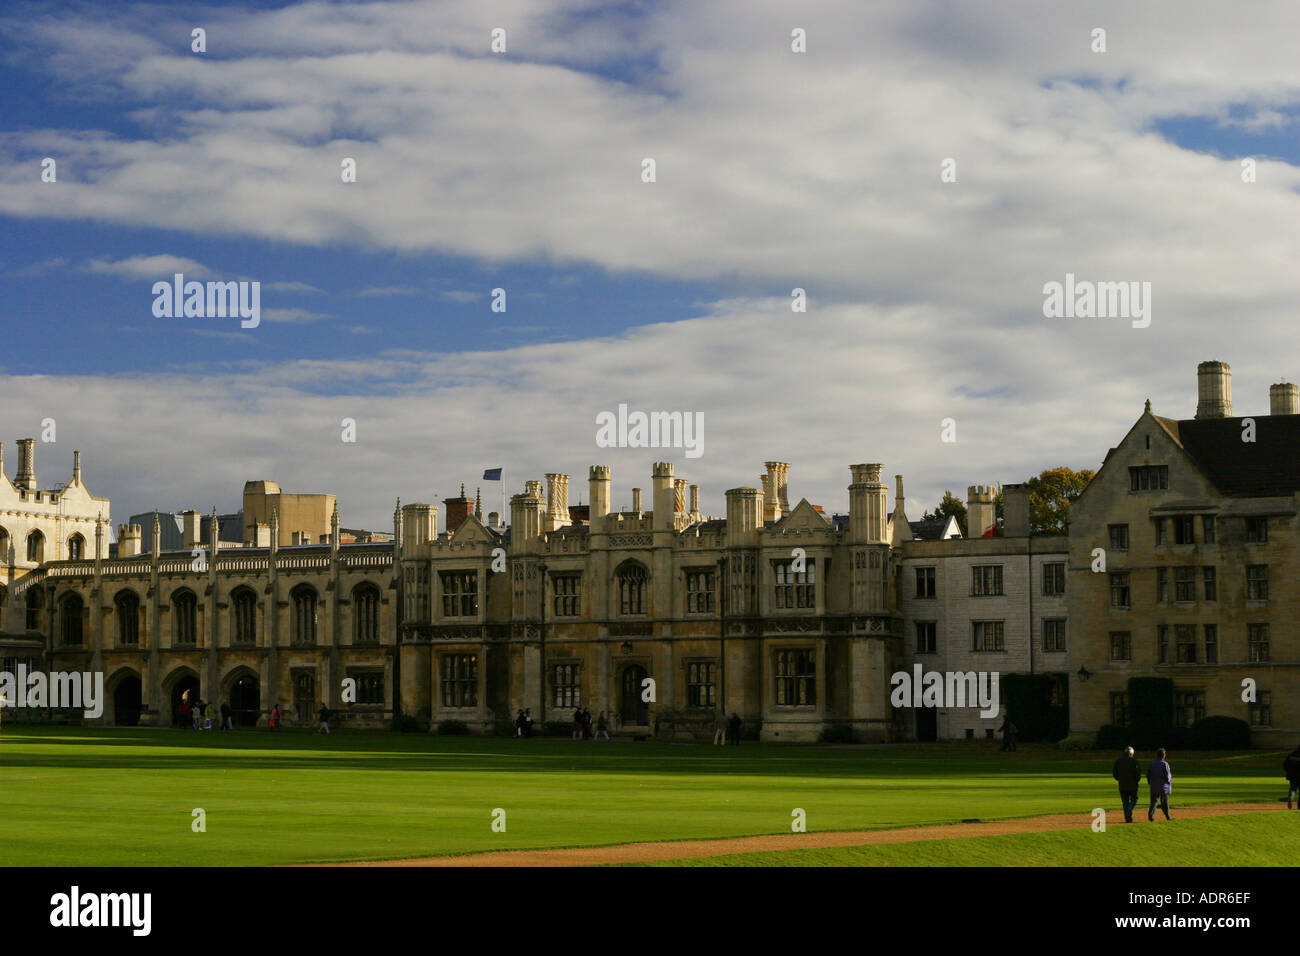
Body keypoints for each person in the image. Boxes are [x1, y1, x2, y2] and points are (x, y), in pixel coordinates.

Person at [1112, 745, 1142, 823]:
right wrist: (1136, 781)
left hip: (1122, 785)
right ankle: (1129, 810)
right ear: (1132, 753)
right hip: (1133, 785)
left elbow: (1115, 774)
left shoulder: (1118, 761)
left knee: (1125, 802)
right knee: (1134, 799)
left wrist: (1120, 779)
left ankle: (1128, 819)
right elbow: (1138, 775)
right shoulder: (1135, 761)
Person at [1147, 747, 1173, 821]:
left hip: (1154, 786)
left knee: (1153, 802)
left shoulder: (1152, 764)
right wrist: (1170, 782)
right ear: (1163, 755)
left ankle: (1151, 816)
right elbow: (1167, 776)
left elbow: (1148, 775)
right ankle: (1168, 816)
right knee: (1164, 802)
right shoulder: (1165, 764)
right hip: (1163, 787)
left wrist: (1150, 782)